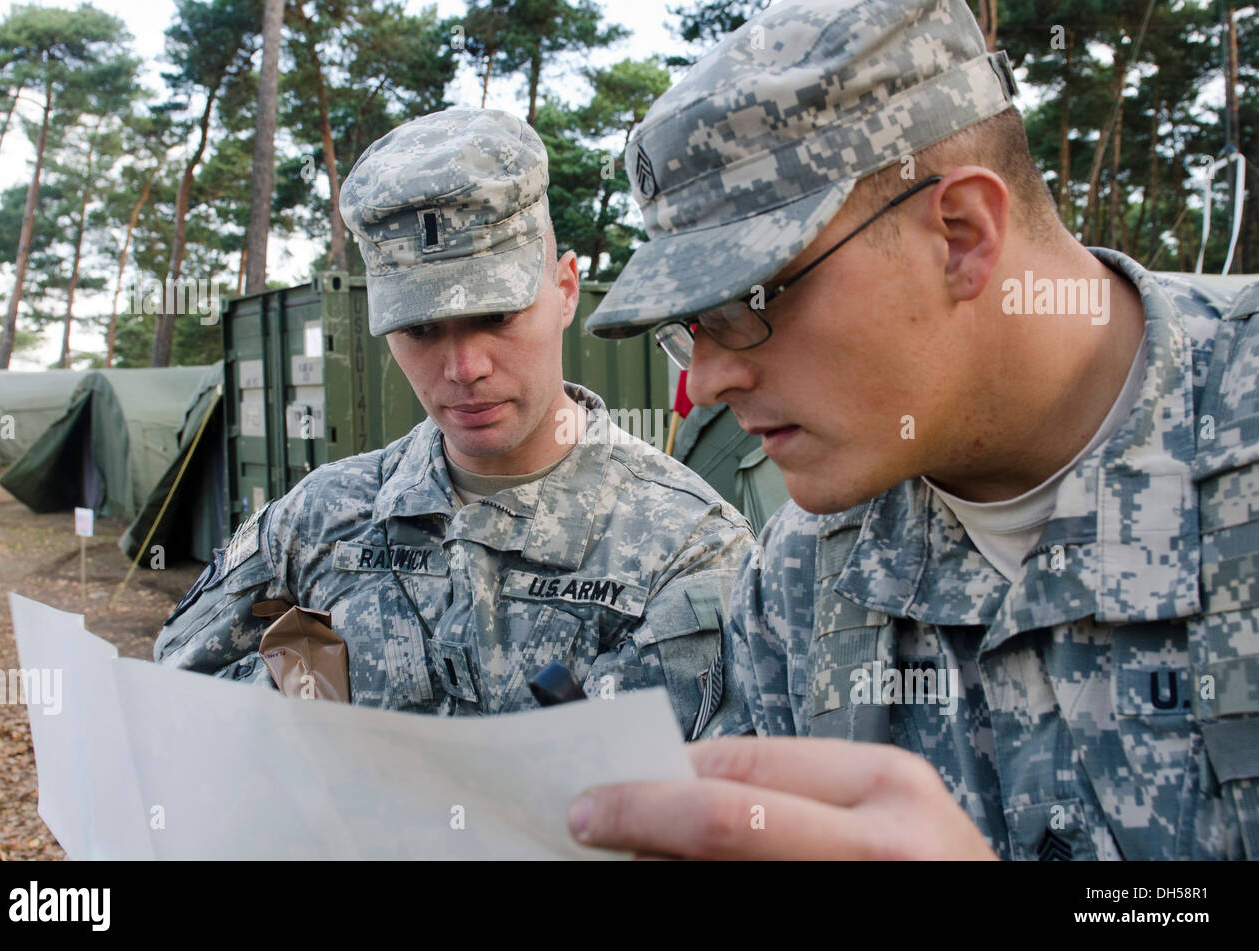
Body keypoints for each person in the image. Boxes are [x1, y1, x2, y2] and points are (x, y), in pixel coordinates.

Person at [574, 0, 1259, 859]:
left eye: (747, 304)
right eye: (688, 327)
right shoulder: (800, 579)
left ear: (961, 237)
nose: (705, 377)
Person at [154, 108, 754, 739]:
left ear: (567, 289)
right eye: (420, 330)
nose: (463, 368)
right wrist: (299, 699)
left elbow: (691, 801)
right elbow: (175, 698)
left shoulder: (686, 547)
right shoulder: (319, 517)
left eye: (496, 316)